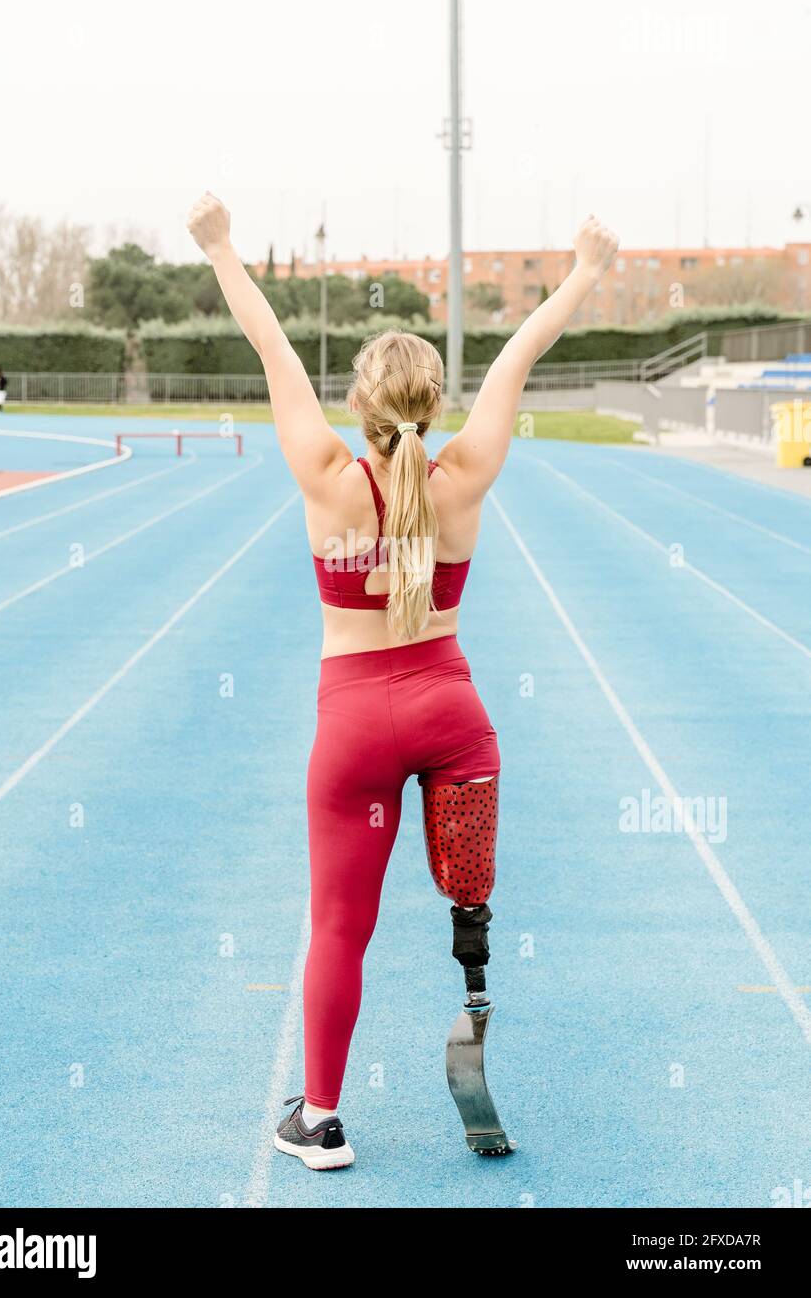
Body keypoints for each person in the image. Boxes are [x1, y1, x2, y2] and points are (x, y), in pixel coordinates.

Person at [187, 192, 618, 1170]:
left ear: (361, 405)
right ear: (430, 401)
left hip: (354, 728)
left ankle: (322, 1120)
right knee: (465, 887)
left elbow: (273, 352)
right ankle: (471, 950)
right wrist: (584, 273)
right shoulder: (462, 476)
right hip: (453, 720)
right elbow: (515, 361)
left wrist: (220, 249)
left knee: (340, 923)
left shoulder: (328, 477)